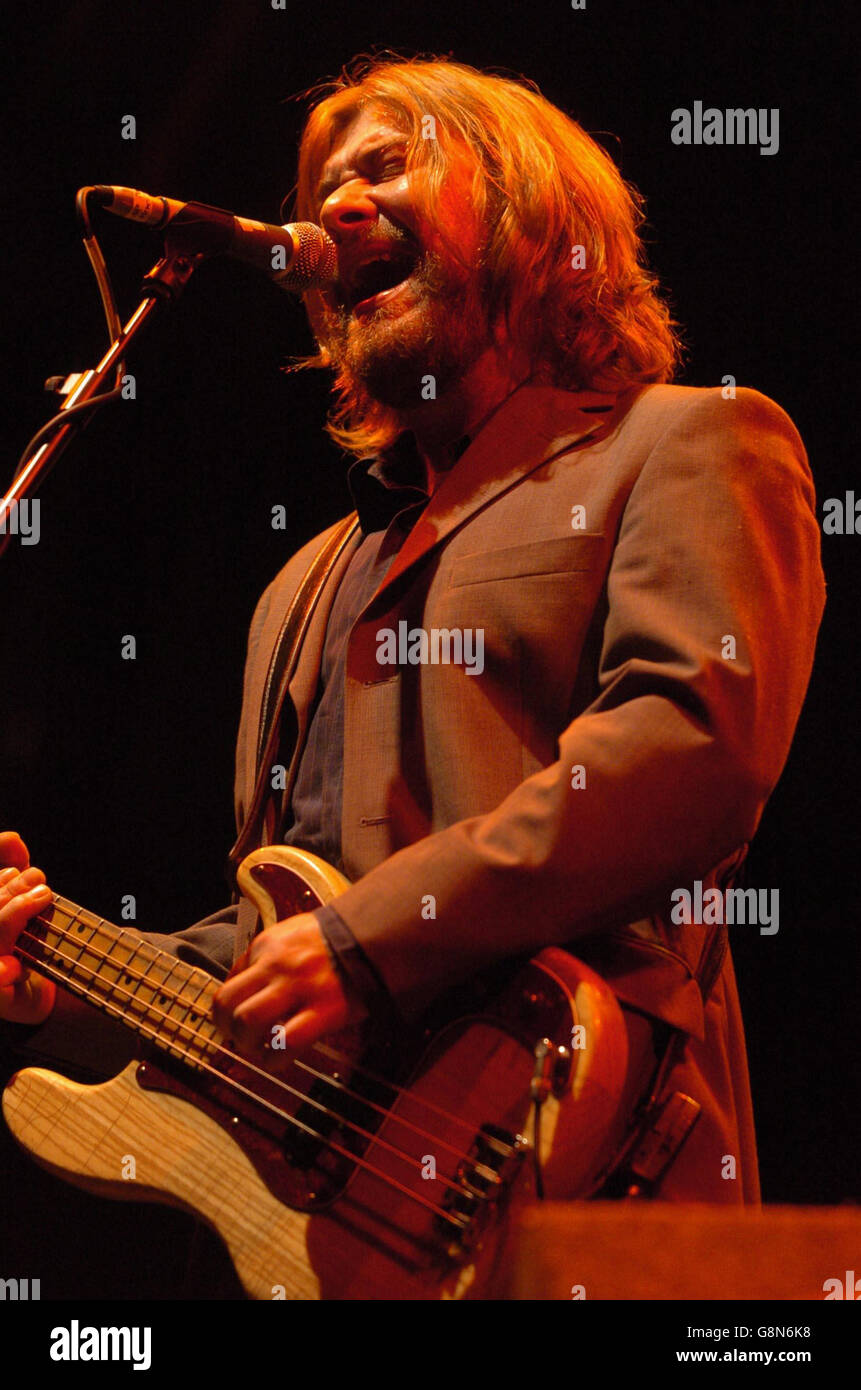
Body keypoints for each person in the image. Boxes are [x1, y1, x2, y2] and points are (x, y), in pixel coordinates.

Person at [0, 56, 825, 1207]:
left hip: (585, 1188)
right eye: (324, 186)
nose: (331, 209)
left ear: (531, 209)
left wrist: (366, 944)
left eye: (385, 167)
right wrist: (63, 968)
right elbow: (273, 931)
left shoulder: (686, 444)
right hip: (338, 1236)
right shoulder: (303, 581)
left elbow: (690, 745)